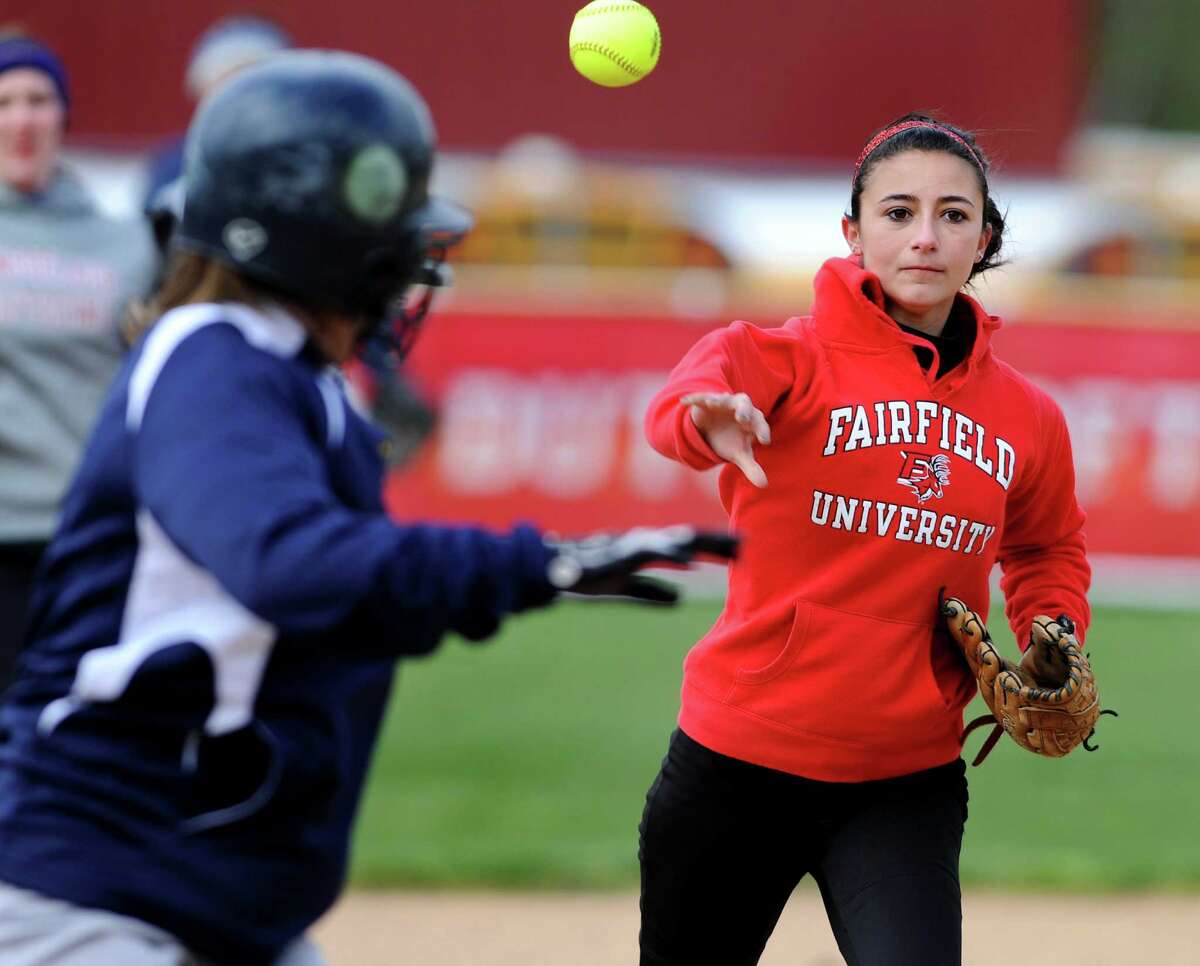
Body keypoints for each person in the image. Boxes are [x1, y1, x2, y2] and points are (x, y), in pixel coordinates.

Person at [0, 50, 736, 965]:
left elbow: (353, 603)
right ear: (314, 245)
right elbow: (292, 565)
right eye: (390, 239)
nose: (410, 267)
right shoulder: (210, 358)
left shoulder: (302, 386)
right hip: (91, 898)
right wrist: (532, 563)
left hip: (209, 899)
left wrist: (521, 575)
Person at [638, 113, 1090, 965]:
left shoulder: (1028, 416)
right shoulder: (783, 359)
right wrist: (707, 421)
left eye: (954, 215)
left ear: (985, 237)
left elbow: (1045, 548)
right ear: (853, 232)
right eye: (897, 212)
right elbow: (694, 394)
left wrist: (1052, 630)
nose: (925, 236)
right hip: (737, 761)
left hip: (904, 781)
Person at [0, 31, 157, 691]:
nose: (23, 119)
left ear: (64, 115)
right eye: (4, 102)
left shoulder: (127, 245)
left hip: (86, 537)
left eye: (39, 99)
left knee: (73, 743)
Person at [142, 13, 292, 208]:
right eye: (227, 82)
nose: (240, 98)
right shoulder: (178, 162)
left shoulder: (297, 157)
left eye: (253, 82)